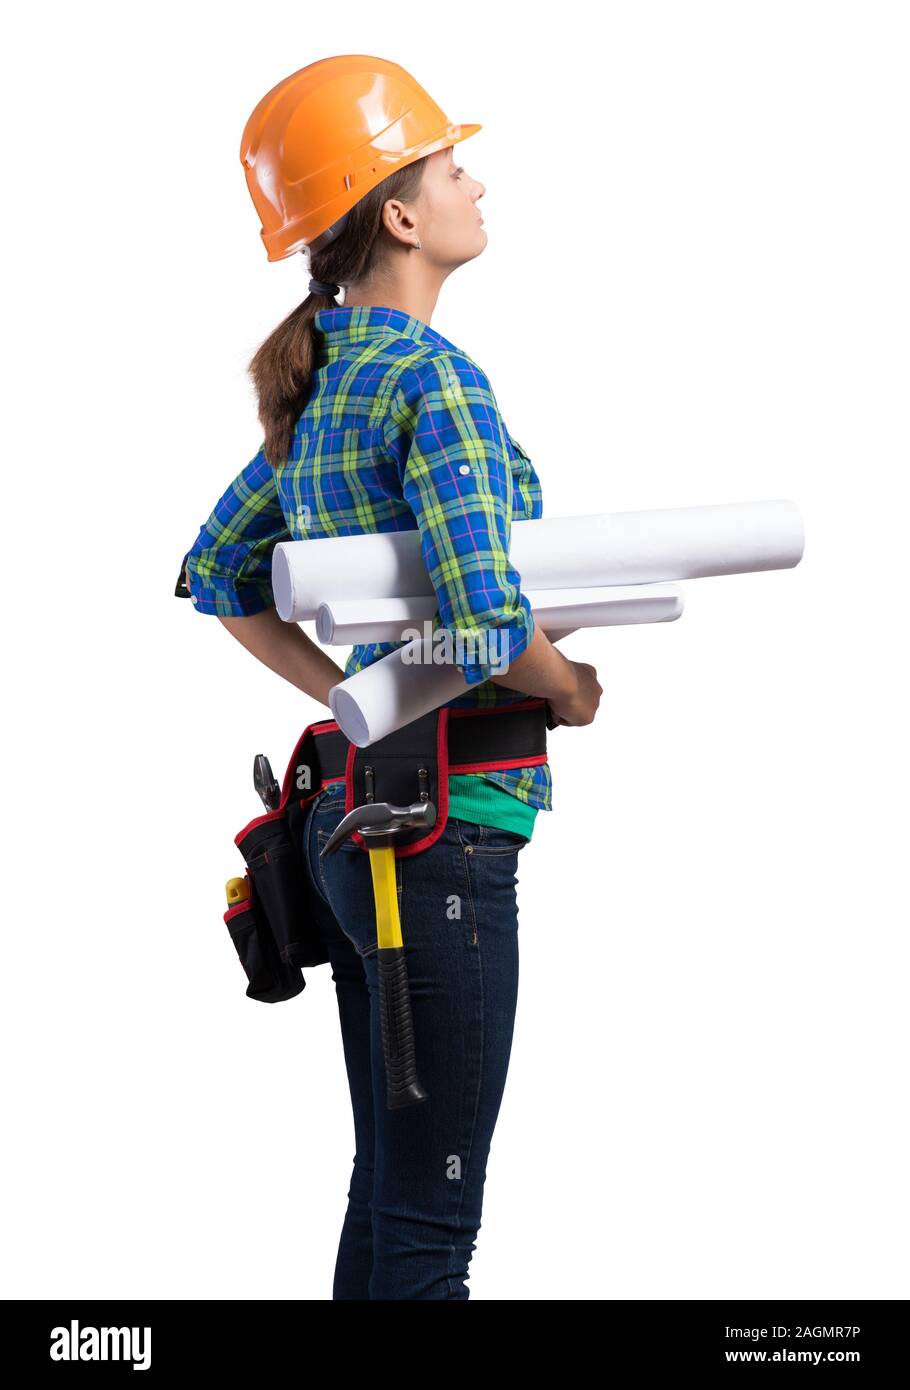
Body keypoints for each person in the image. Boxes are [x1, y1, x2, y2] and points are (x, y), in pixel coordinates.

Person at [180, 56, 601, 1299]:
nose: (476, 179)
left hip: (356, 825)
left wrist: (340, 698)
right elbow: (485, 627)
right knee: (433, 1234)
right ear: (401, 214)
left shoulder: (320, 389)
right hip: (448, 841)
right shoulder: (432, 380)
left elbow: (216, 572)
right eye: (449, 163)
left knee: (391, 1197)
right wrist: (569, 690)